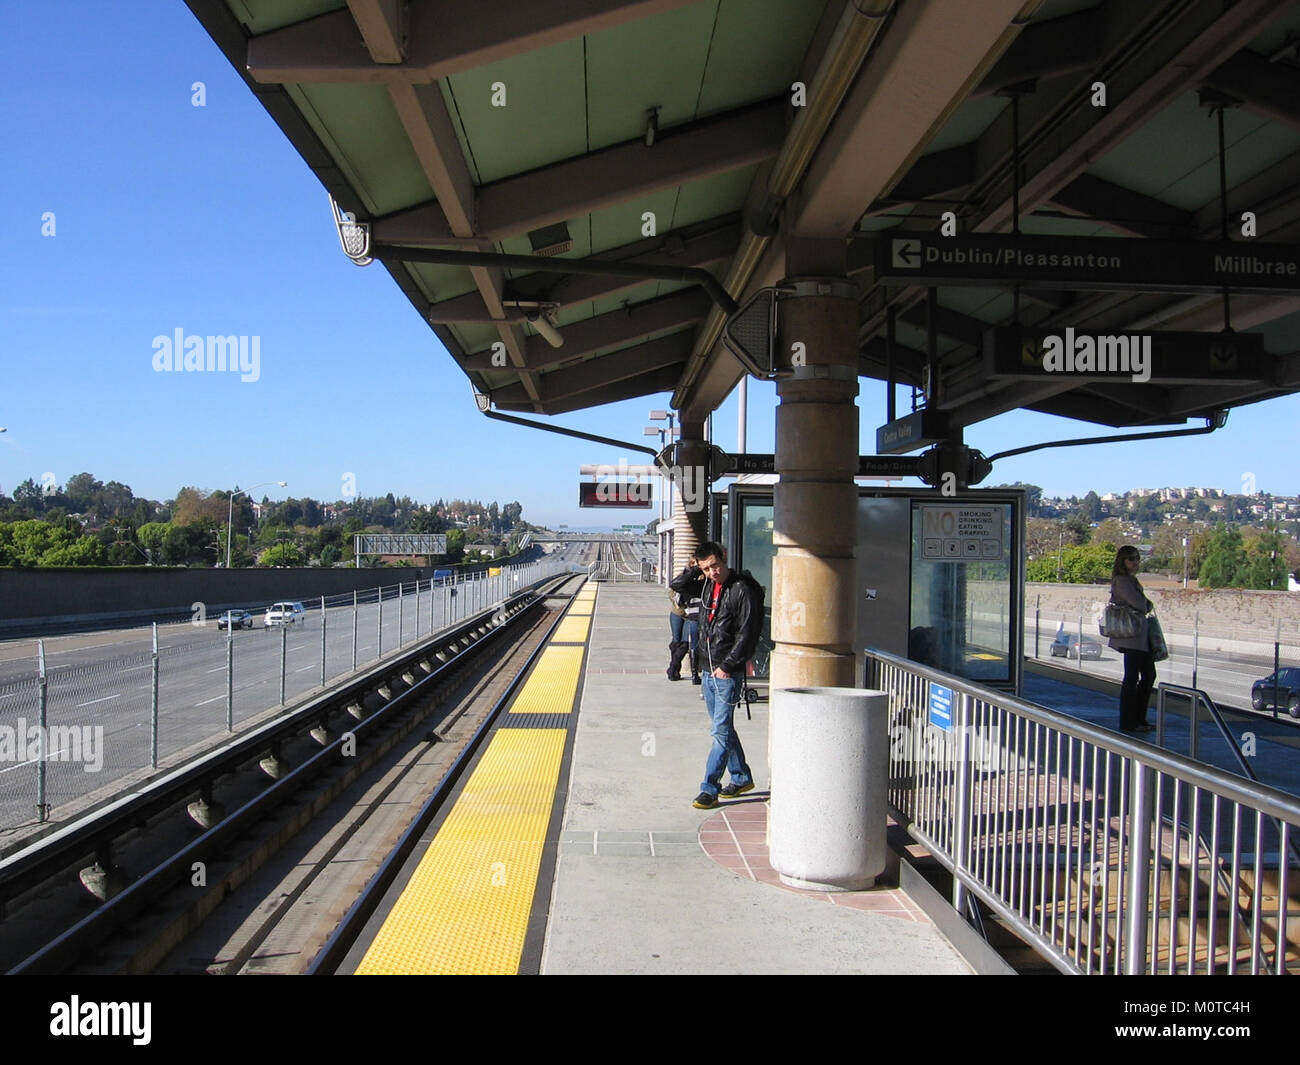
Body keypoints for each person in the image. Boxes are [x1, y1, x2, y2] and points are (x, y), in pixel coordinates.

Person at [690, 541, 762, 809]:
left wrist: (728, 666)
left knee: (719, 731)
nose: (712, 572)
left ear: (724, 558)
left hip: (726, 672)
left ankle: (709, 787)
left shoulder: (742, 589)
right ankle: (741, 776)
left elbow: (747, 633)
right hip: (709, 669)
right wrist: (693, 568)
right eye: (706, 569)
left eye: (715, 565)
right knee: (724, 729)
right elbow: (678, 587)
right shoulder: (708, 585)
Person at [1107, 545, 1156, 734]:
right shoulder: (1122, 581)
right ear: (1123, 561)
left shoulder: (1129, 580)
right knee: (1133, 678)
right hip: (1132, 637)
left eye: (1137, 558)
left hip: (1138, 637)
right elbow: (1139, 604)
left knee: (1147, 675)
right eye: (1131, 559)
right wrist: (1147, 604)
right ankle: (1130, 721)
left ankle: (1138, 719)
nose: (1135, 562)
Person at [668, 555, 704, 683]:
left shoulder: (702, 577)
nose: (695, 565)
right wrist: (677, 602)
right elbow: (672, 588)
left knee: (685, 643)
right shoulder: (684, 575)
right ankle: (675, 670)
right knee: (675, 642)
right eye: (693, 563)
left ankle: (673, 668)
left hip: (691, 614)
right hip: (678, 612)